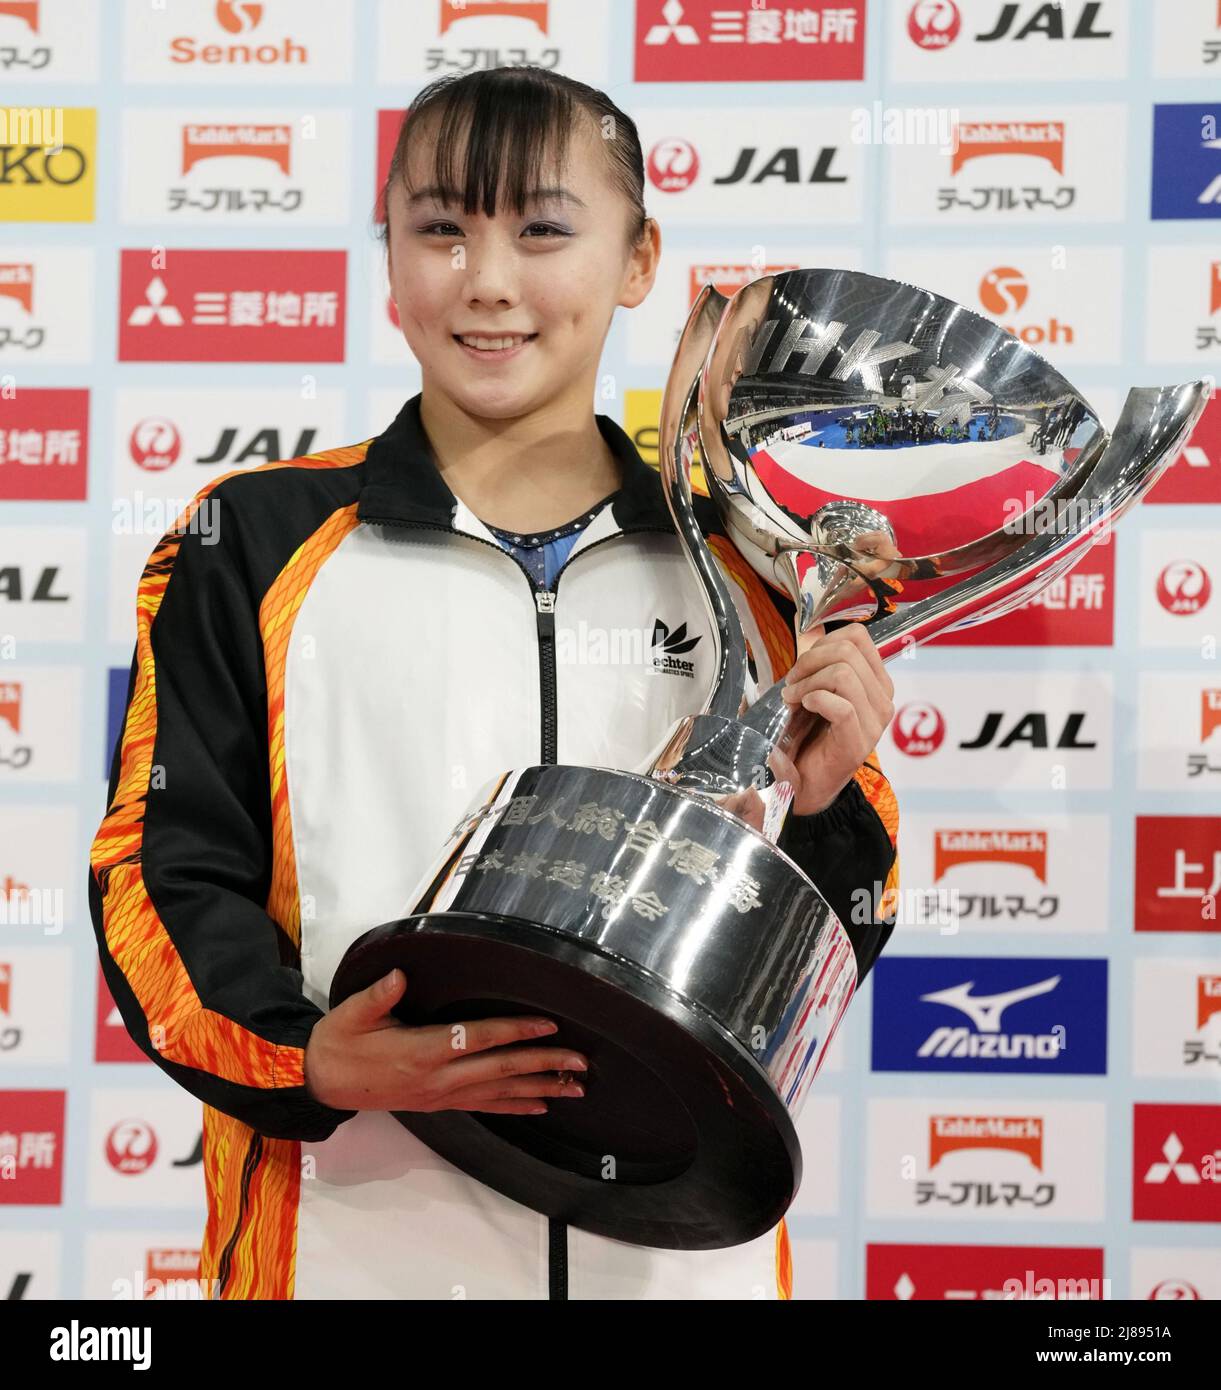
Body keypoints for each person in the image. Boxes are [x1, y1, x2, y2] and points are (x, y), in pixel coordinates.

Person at [89, 66, 899, 1301]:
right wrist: (312, 1060)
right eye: (441, 229)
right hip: (348, 1247)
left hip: (673, 1262)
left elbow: (825, 952)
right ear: (390, 256)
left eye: (543, 229)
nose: (487, 280)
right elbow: (159, 876)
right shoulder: (252, 540)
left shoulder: (755, 563)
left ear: (639, 259)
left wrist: (824, 804)